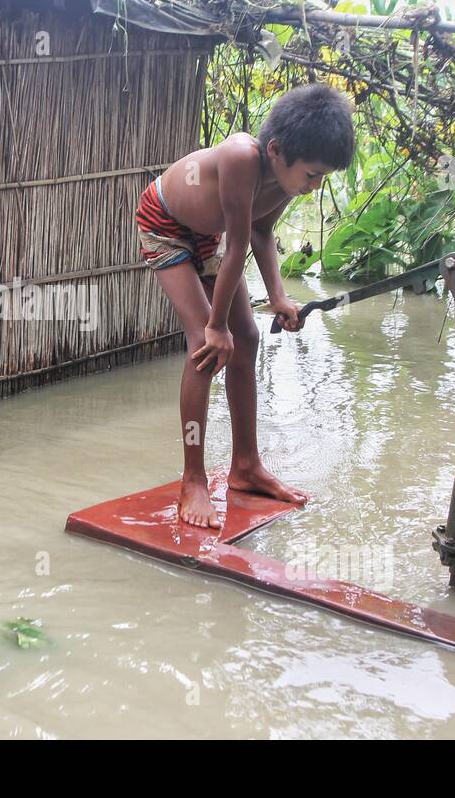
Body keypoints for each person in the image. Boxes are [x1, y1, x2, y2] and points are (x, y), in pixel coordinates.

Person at [134, 83, 355, 528]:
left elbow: (260, 233)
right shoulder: (240, 157)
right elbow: (236, 247)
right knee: (205, 343)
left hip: (211, 234)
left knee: (249, 336)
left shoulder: (289, 177)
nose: (314, 186)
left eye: (322, 178)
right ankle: (192, 479)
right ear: (275, 149)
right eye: (312, 175)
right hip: (166, 223)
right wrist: (216, 325)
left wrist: (278, 296)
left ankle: (246, 466)